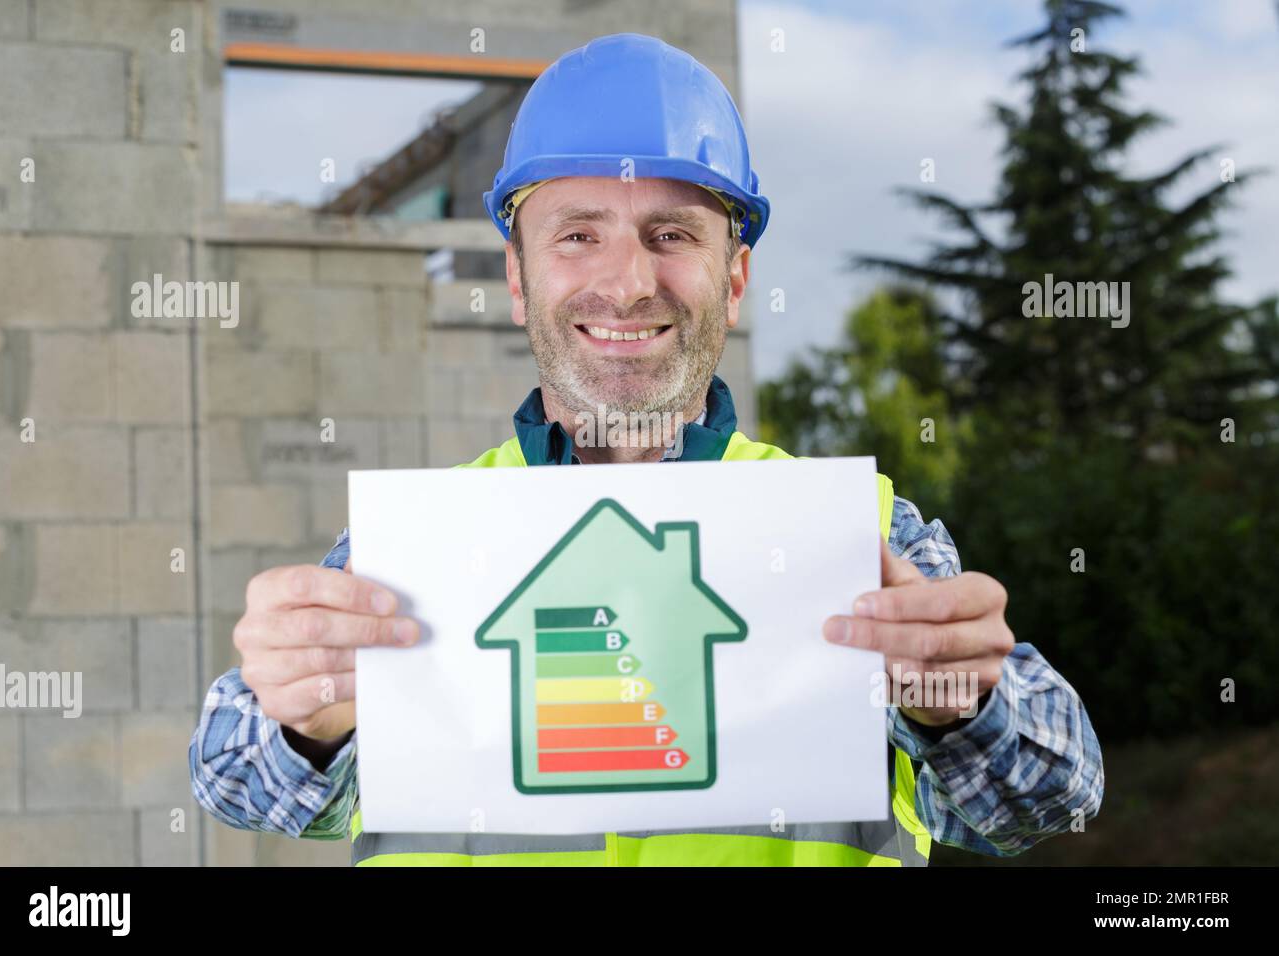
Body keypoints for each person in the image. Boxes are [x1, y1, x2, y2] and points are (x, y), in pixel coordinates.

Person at [190, 32, 1103, 866]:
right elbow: (228, 778)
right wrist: (301, 720)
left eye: (672, 236)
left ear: (734, 277)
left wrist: (966, 709)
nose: (627, 283)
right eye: (578, 235)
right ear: (517, 277)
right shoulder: (416, 549)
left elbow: (1056, 795)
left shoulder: (862, 540)